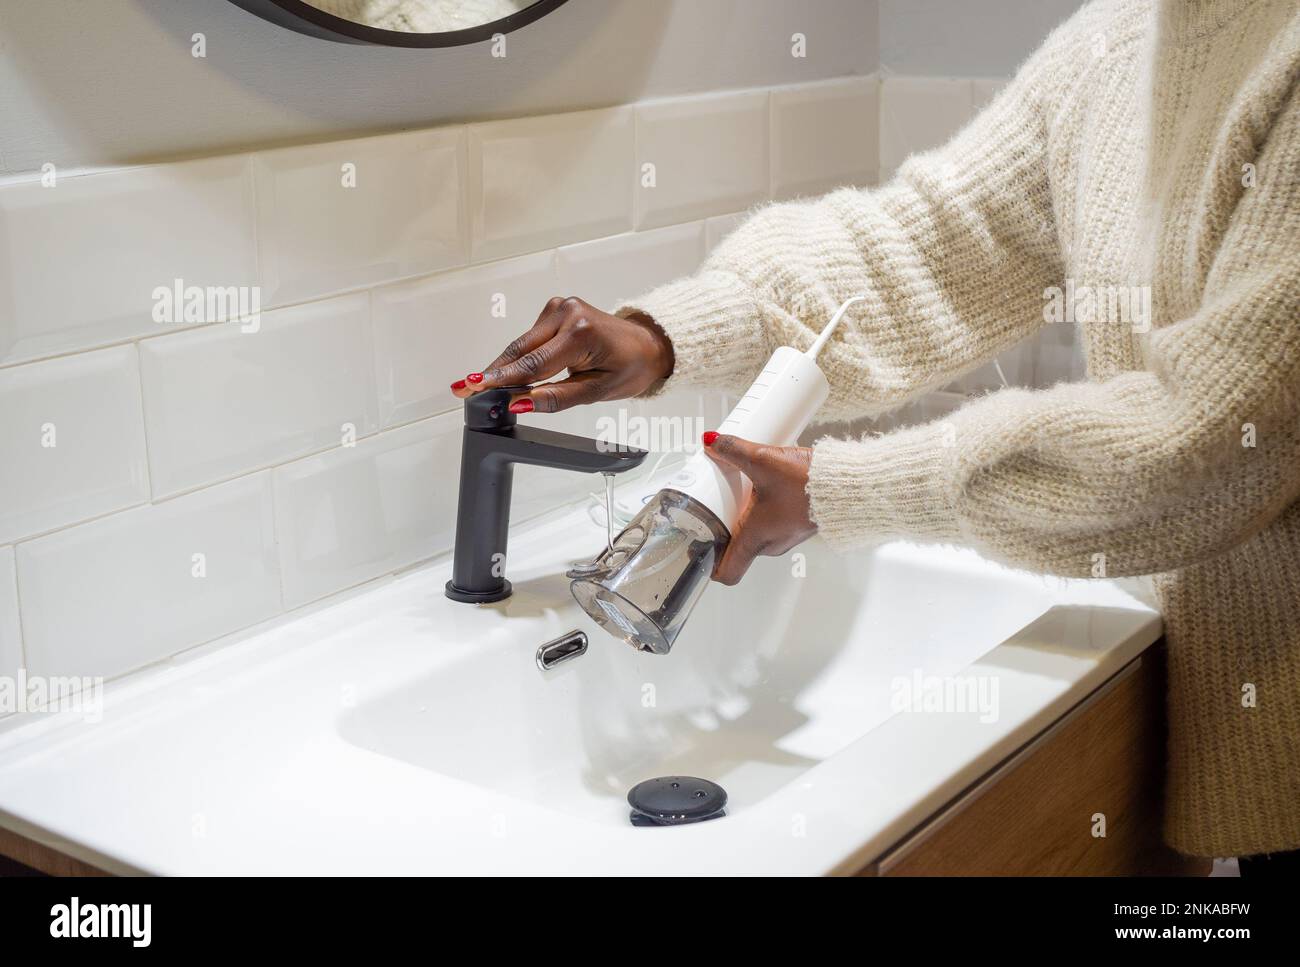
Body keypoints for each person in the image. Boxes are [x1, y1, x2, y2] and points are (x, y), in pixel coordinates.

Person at [453, 0, 1300, 871]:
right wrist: (668, 333)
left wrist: (844, 490)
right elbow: (929, 244)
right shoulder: (1122, 41)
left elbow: (1210, 444)